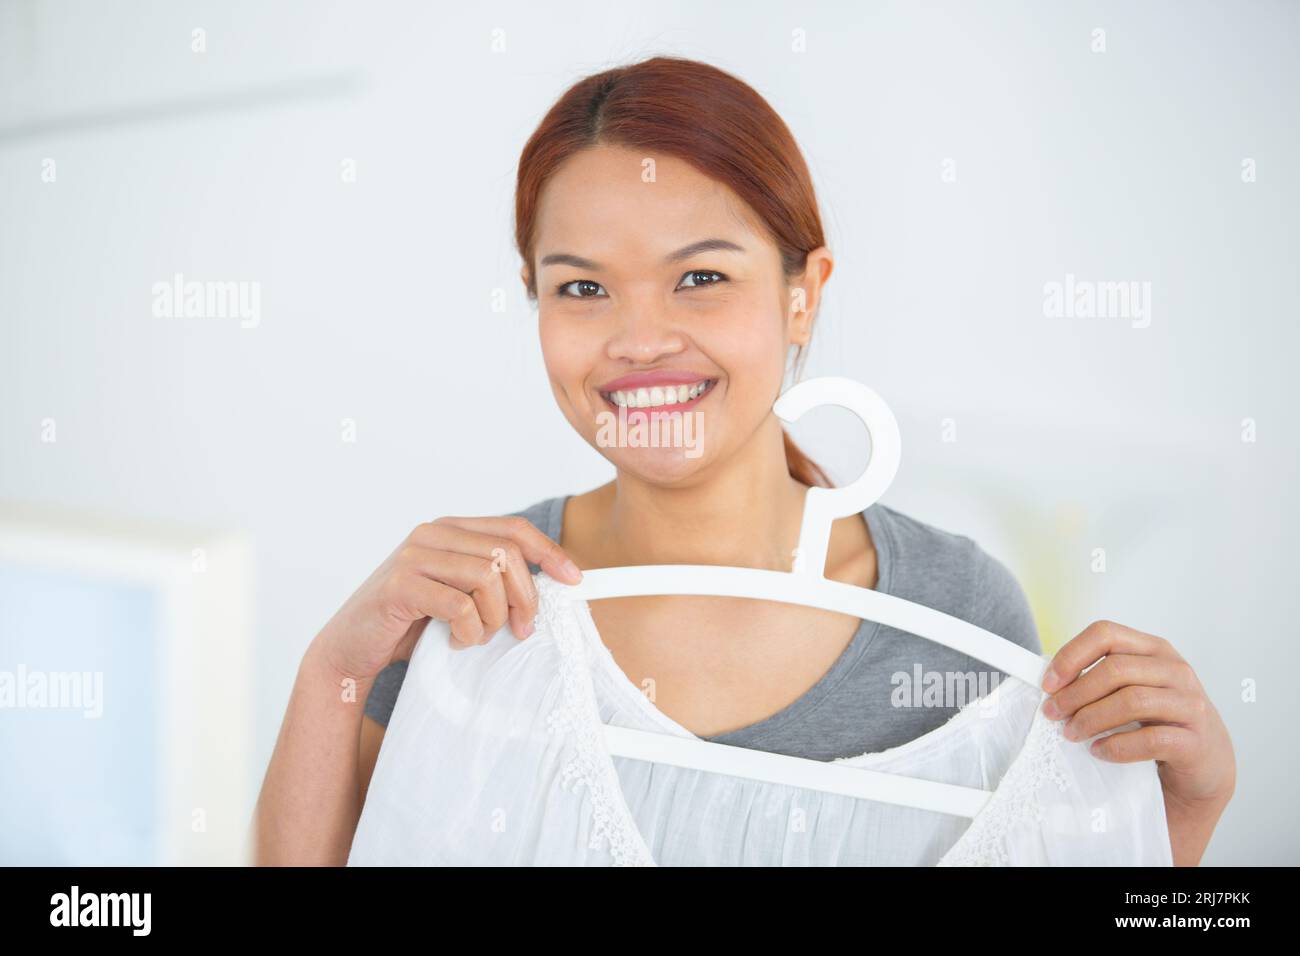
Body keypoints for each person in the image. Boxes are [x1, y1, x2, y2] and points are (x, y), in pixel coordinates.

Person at [252, 55, 1234, 866]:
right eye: (583, 286)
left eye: (701, 277)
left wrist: (1184, 807)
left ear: (803, 292)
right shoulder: (483, 604)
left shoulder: (955, 613)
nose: (638, 338)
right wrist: (336, 662)